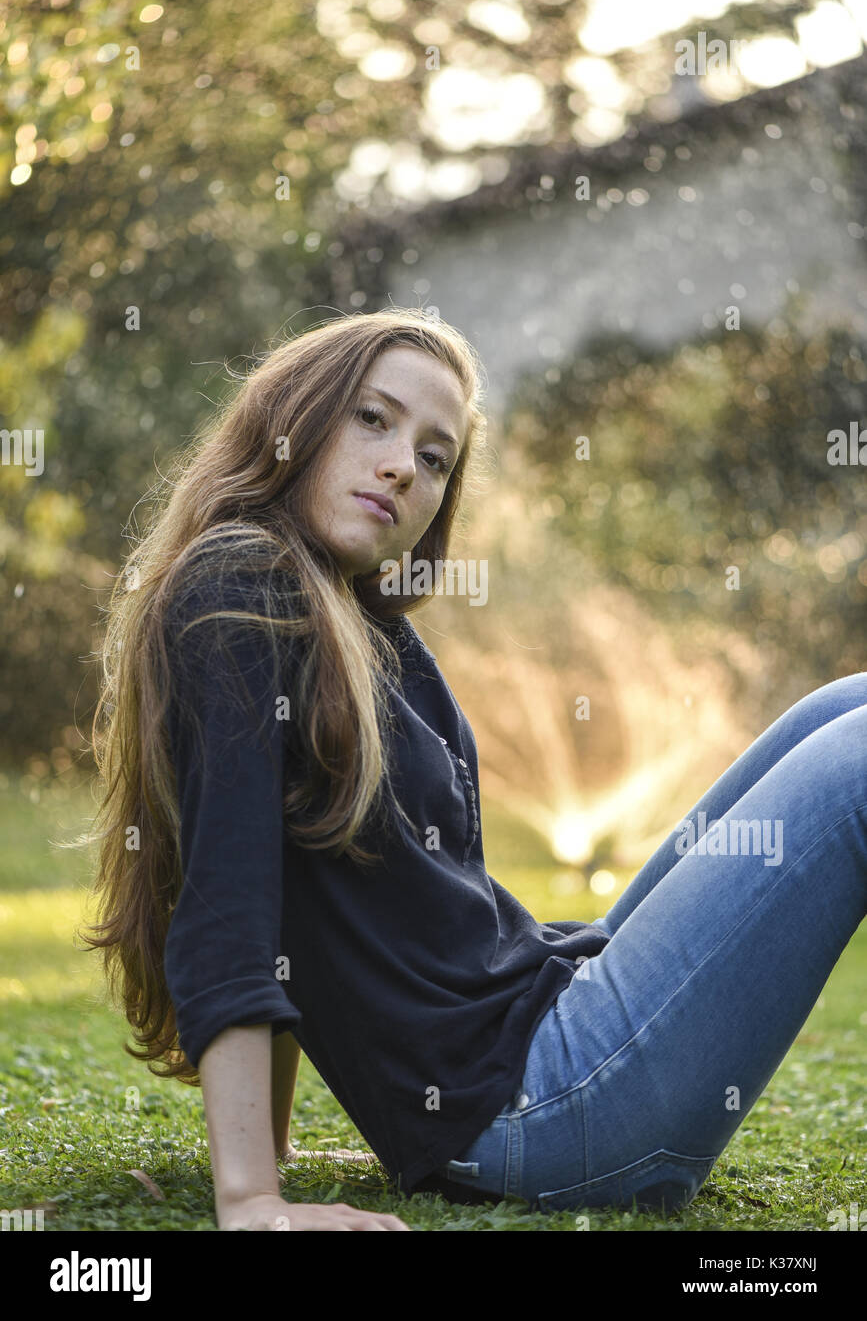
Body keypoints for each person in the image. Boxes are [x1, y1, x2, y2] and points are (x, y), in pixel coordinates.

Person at [81, 308, 867, 1231]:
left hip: (556, 1034)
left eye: (435, 456)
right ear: (292, 416)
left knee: (841, 705)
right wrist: (253, 1197)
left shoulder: (367, 629)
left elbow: (305, 909)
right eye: (372, 420)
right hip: (550, 1103)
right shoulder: (238, 592)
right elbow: (235, 896)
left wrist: (286, 1153)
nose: (402, 466)